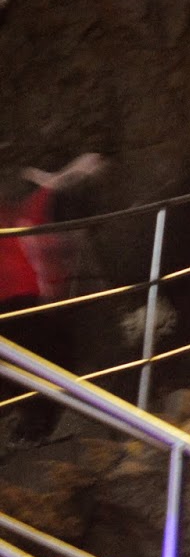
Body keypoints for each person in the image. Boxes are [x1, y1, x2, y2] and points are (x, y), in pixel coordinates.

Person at [0, 151, 107, 441]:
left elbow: (56, 186)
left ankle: (37, 424)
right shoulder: (23, 211)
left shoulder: (25, 210)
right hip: (20, 301)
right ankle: (36, 423)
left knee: (46, 360)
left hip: (26, 299)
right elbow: (57, 184)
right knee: (44, 361)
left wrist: (74, 170)